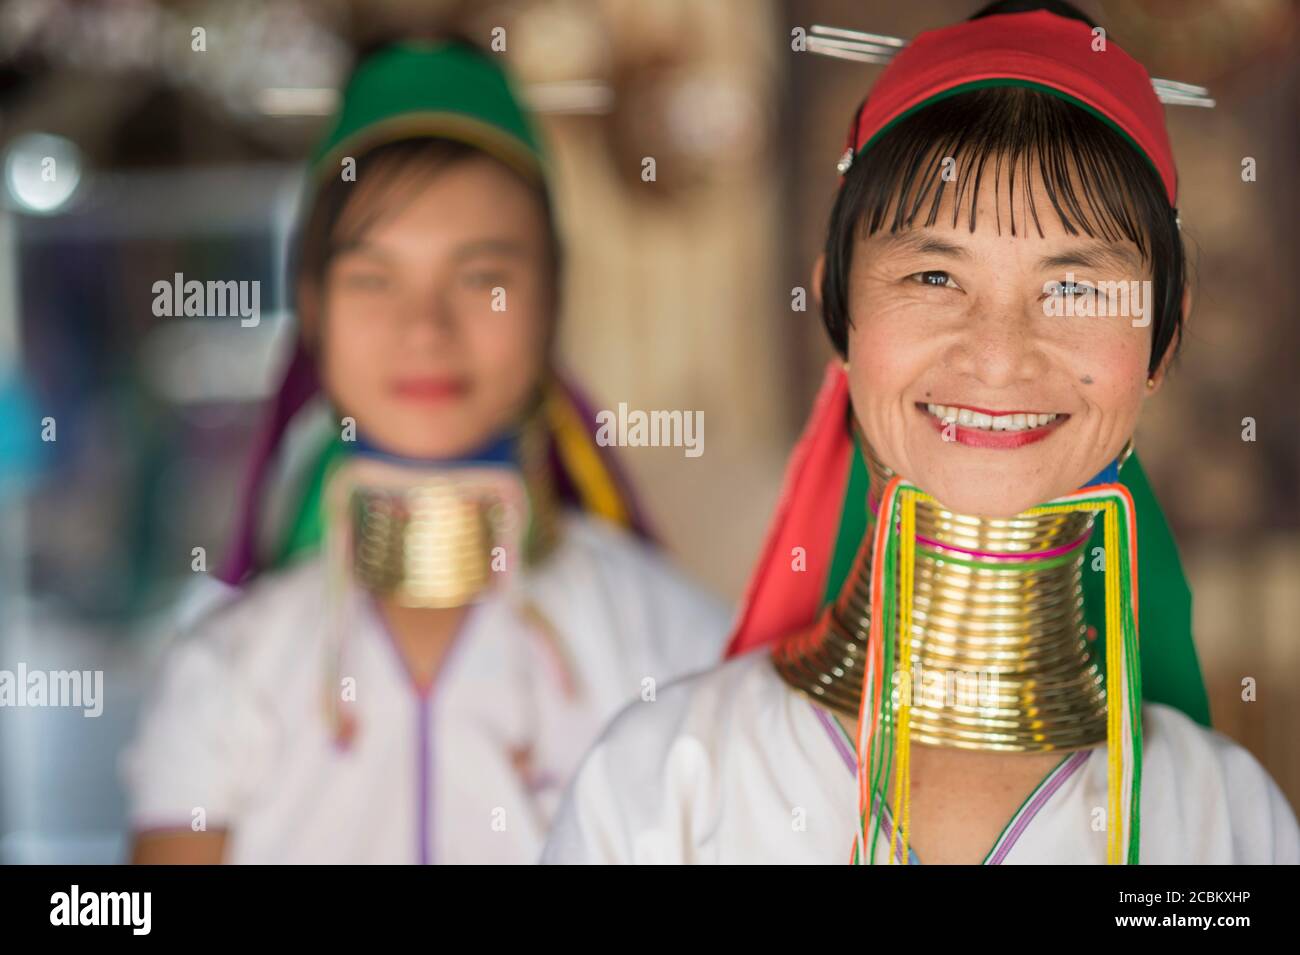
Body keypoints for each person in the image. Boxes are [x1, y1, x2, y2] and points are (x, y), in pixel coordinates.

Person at [542, 2, 1300, 864]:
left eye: (1077, 287)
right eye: (935, 274)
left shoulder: (1222, 820)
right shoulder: (668, 782)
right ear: (839, 305)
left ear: (1163, 334)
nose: (999, 354)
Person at [122, 38, 730, 864]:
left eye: (482, 276)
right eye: (374, 278)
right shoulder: (225, 674)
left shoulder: (677, 647)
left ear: (553, 295)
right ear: (312, 308)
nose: (426, 329)